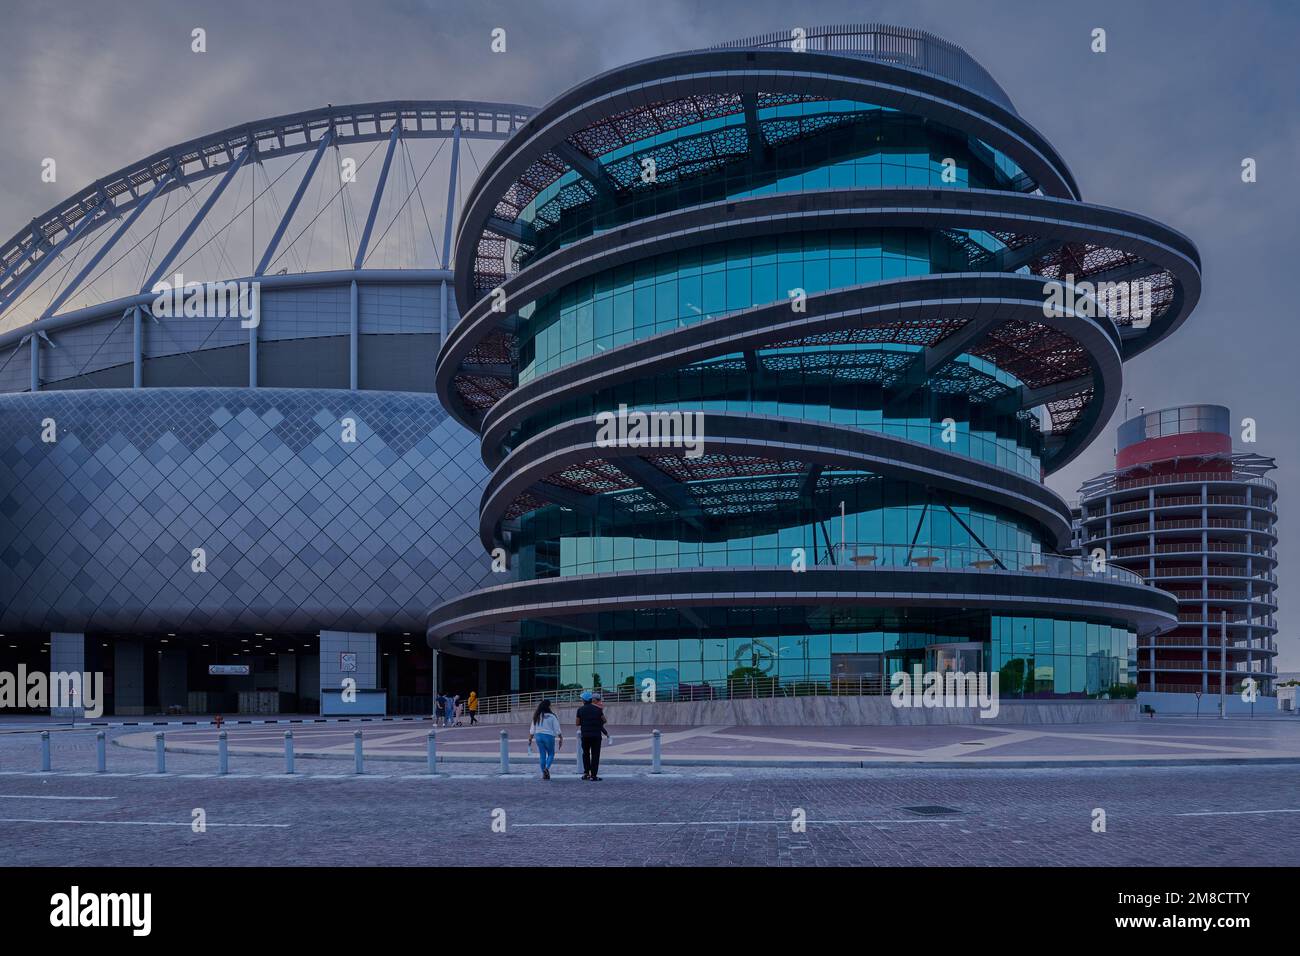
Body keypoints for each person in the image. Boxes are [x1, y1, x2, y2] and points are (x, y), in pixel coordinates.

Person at [575, 690, 607, 781]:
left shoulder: (580, 710)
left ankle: (586, 773)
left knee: (585, 754)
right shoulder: (598, 709)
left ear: (584, 700)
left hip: (585, 735)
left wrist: (585, 722)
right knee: (595, 755)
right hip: (596, 735)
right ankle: (593, 775)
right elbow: (604, 720)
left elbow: (577, 723)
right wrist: (596, 722)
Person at [528, 699, 563, 779]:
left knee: (542, 755)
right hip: (549, 736)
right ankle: (546, 768)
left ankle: (544, 773)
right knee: (551, 753)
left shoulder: (537, 715)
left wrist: (530, 738)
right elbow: (557, 728)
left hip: (538, 736)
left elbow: (532, 728)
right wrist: (560, 737)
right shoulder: (552, 716)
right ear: (548, 706)